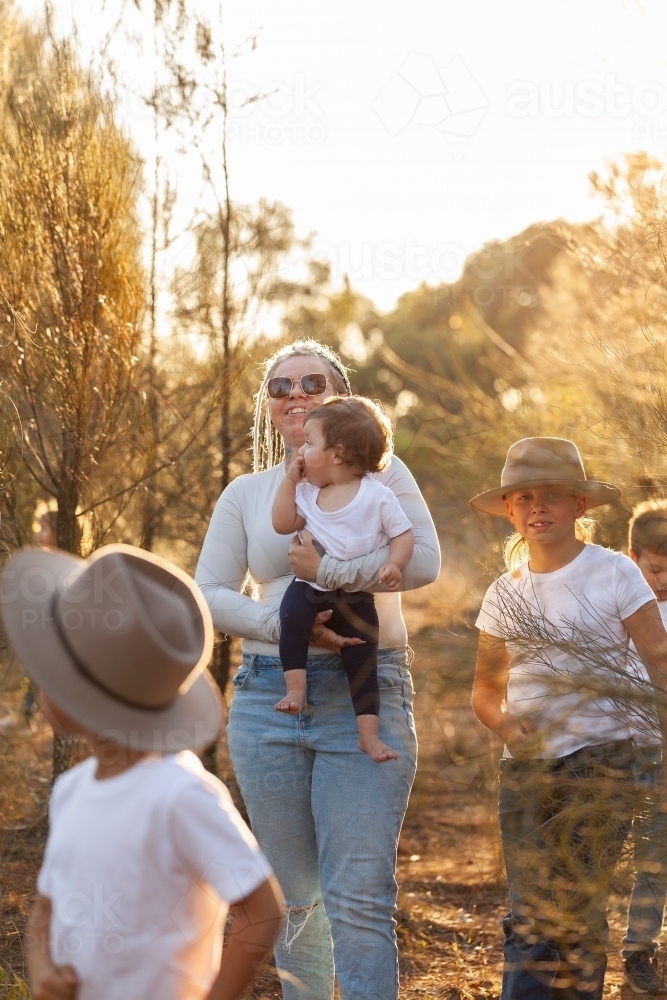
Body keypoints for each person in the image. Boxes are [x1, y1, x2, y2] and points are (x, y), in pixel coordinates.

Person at [195, 339, 440, 1000]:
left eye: (312, 382)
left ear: (340, 398)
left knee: (357, 894)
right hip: (267, 695)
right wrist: (289, 627)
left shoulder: (384, 476)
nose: (295, 393)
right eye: (280, 386)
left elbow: (421, 564)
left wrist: (329, 575)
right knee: (293, 895)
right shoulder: (249, 494)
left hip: (366, 688)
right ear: (268, 406)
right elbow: (211, 591)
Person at [0, 543, 283, 1000]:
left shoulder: (180, 794)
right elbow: (46, 910)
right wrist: (42, 970)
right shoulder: (71, 791)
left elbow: (262, 910)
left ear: (80, 697)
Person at [469, 437, 667, 1000]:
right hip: (528, 770)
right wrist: (506, 727)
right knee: (529, 912)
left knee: (580, 909)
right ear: (508, 509)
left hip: (606, 763)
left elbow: (659, 660)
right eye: (524, 497)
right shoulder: (503, 595)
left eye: (552, 496)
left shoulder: (614, 574)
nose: (538, 508)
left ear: (579, 505)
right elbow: (485, 691)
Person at [272, 395, 414, 763]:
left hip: (354, 598)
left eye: (310, 443)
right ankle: (295, 690)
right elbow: (282, 523)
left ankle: (368, 735)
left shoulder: (377, 496)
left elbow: (403, 534)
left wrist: (395, 565)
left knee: (363, 656)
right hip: (309, 589)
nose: (301, 451)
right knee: (292, 616)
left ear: (336, 454)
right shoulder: (307, 491)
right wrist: (290, 480)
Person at [622, 500, 667, 995]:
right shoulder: (620, 601)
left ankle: (640, 947)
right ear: (632, 557)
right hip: (624, 746)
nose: (662, 580)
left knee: (657, 851)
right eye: (654, 569)